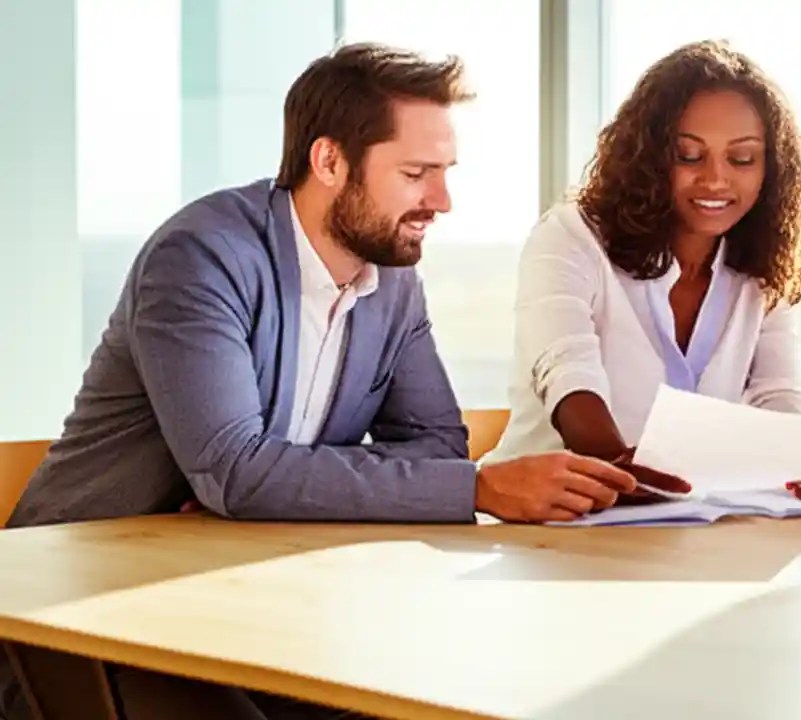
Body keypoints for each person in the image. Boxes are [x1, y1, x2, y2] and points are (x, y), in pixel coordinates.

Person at [1, 43, 638, 720]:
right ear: (329, 161)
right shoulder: (202, 258)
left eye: (446, 172)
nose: (443, 200)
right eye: (417, 173)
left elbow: (435, 445)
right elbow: (236, 470)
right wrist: (477, 489)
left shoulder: (391, 281)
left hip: (240, 602)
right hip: (77, 614)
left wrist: (267, 487)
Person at [483, 40, 801, 501]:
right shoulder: (569, 237)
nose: (716, 179)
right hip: (550, 519)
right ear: (648, 156)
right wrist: (618, 464)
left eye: (741, 159)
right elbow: (567, 373)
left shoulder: (762, 266)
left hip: (687, 522)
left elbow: (780, 398)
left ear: (770, 168)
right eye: (688, 155)